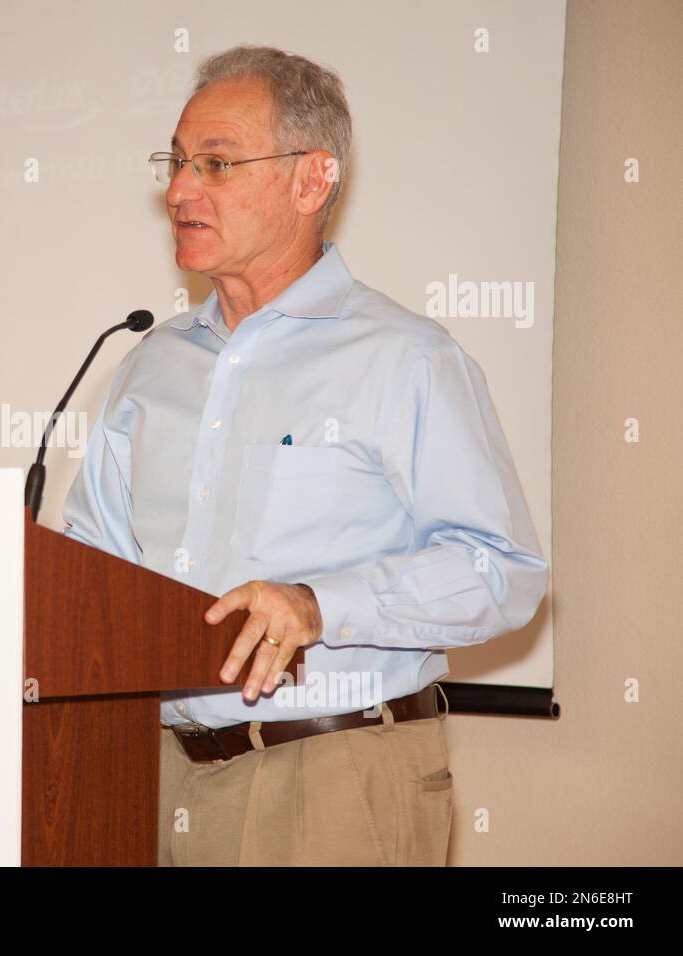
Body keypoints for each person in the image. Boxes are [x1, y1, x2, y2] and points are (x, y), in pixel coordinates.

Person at [60, 45, 548, 866]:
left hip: (330, 777)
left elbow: (503, 572)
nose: (179, 191)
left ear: (311, 181)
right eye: (177, 163)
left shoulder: (406, 359)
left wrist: (320, 605)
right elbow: (92, 567)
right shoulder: (149, 365)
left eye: (215, 164)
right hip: (152, 776)